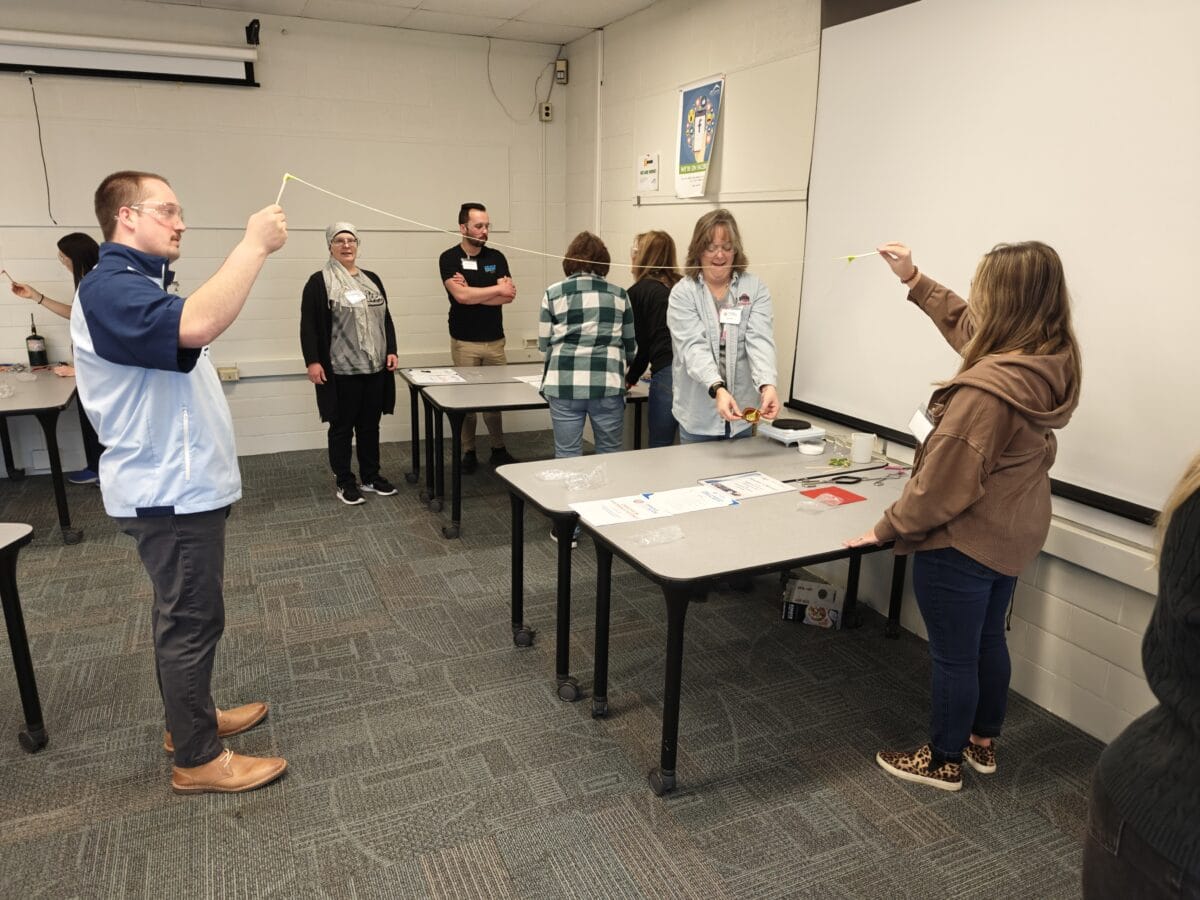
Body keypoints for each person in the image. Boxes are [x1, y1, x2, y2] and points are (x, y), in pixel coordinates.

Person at [72, 169, 288, 794]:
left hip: (178, 482)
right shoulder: (112, 286)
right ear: (126, 217)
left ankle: (188, 720)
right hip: (167, 488)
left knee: (186, 614)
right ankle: (195, 758)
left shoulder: (136, 283)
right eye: (167, 209)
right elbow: (195, 325)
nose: (180, 221)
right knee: (191, 619)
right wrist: (252, 246)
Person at [845, 240, 1082, 792]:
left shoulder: (985, 393)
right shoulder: (1048, 360)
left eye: (984, 290)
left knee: (953, 657)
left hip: (964, 542)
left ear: (1005, 302)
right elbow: (973, 332)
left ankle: (943, 759)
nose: (975, 298)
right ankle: (981, 741)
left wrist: (885, 528)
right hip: (1013, 535)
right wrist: (915, 279)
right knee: (987, 641)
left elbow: (938, 487)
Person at [1082, 452, 1200, 898]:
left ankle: (951, 755)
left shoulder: (979, 399)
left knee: (964, 653)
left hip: (1159, 808)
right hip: (1165, 815)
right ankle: (974, 744)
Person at [300, 223, 399, 505]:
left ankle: (370, 476)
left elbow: (386, 318)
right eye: (339, 241)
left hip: (374, 368)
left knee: (370, 426)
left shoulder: (372, 279)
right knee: (342, 428)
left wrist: (391, 349)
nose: (346, 246)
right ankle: (345, 481)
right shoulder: (319, 282)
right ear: (330, 246)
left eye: (351, 240)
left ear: (357, 244)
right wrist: (313, 362)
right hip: (341, 370)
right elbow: (309, 326)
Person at [667, 209, 780, 442]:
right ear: (698, 250)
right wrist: (717, 388)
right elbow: (692, 348)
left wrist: (767, 384)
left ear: (735, 250)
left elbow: (759, 340)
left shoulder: (754, 288)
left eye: (727, 247)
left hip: (741, 418)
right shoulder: (683, 293)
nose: (720, 255)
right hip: (698, 416)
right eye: (711, 247)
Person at [9, 233, 104, 484]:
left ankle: (102, 472)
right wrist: (36, 297)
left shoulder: (97, 282)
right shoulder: (89, 282)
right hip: (88, 369)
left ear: (75, 256)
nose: (61, 261)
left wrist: (82, 370)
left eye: (63, 256)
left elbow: (103, 329)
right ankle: (97, 469)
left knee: (97, 424)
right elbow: (78, 315)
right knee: (88, 420)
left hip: (96, 373)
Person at [439, 202, 519, 472]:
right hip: (465, 342)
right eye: (479, 226)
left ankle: (498, 449)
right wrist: (491, 289)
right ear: (463, 228)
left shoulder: (496, 257)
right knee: (467, 404)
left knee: (495, 402)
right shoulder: (449, 258)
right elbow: (460, 297)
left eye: (487, 226)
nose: (485, 231)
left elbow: (507, 296)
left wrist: (474, 293)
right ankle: (469, 451)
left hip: (495, 340)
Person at [624, 230, 682, 448]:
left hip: (667, 372)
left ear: (643, 256)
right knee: (692, 445)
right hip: (695, 372)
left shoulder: (638, 292)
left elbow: (643, 346)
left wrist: (631, 377)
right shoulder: (684, 286)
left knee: (660, 447)